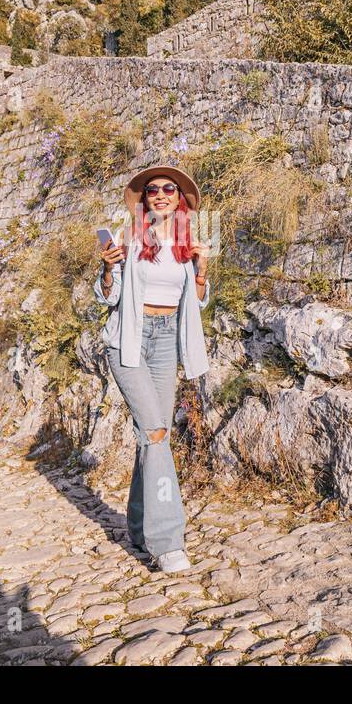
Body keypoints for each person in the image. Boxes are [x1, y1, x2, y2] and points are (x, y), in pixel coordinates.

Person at [93, 166, 211, 573]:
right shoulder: (128, 238)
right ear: (144, 200)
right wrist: (109, 268)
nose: (160, 194)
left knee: (152, 433)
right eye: (152, 189)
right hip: (127, 340)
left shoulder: (186, 244)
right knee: (157, 432)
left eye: (169, 189)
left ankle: (140, 528)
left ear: (180, 199)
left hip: (164, 343)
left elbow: (196, 304)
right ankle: (168, 542)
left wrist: (202, 270)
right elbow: (107, 298)